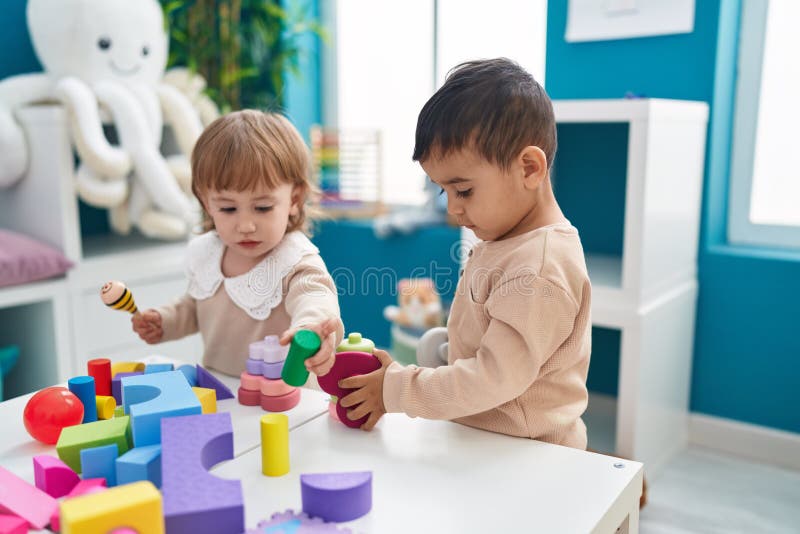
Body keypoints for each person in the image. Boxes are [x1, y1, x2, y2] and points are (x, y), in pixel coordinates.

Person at [336, 58, 592, 449]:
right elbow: (492, 336)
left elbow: (493, 378)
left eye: (464, 191)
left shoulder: (539, 267)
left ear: (528, 168)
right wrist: (442, 348)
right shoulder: (504, 241)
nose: (453, 209)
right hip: (487, 443)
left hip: (531, 454)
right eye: (444, 192)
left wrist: (398, 389)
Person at [132, 110, 344, 377]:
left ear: (294, 199)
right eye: (229, 209)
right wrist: (165, 320)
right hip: (220, 390)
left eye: (263, 207)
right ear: (206, 202)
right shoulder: (209, 252)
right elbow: (194, 305)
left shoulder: (295, 260)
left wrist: (312, 326)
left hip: (282, 400)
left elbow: (315, 297)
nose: (245, 225)